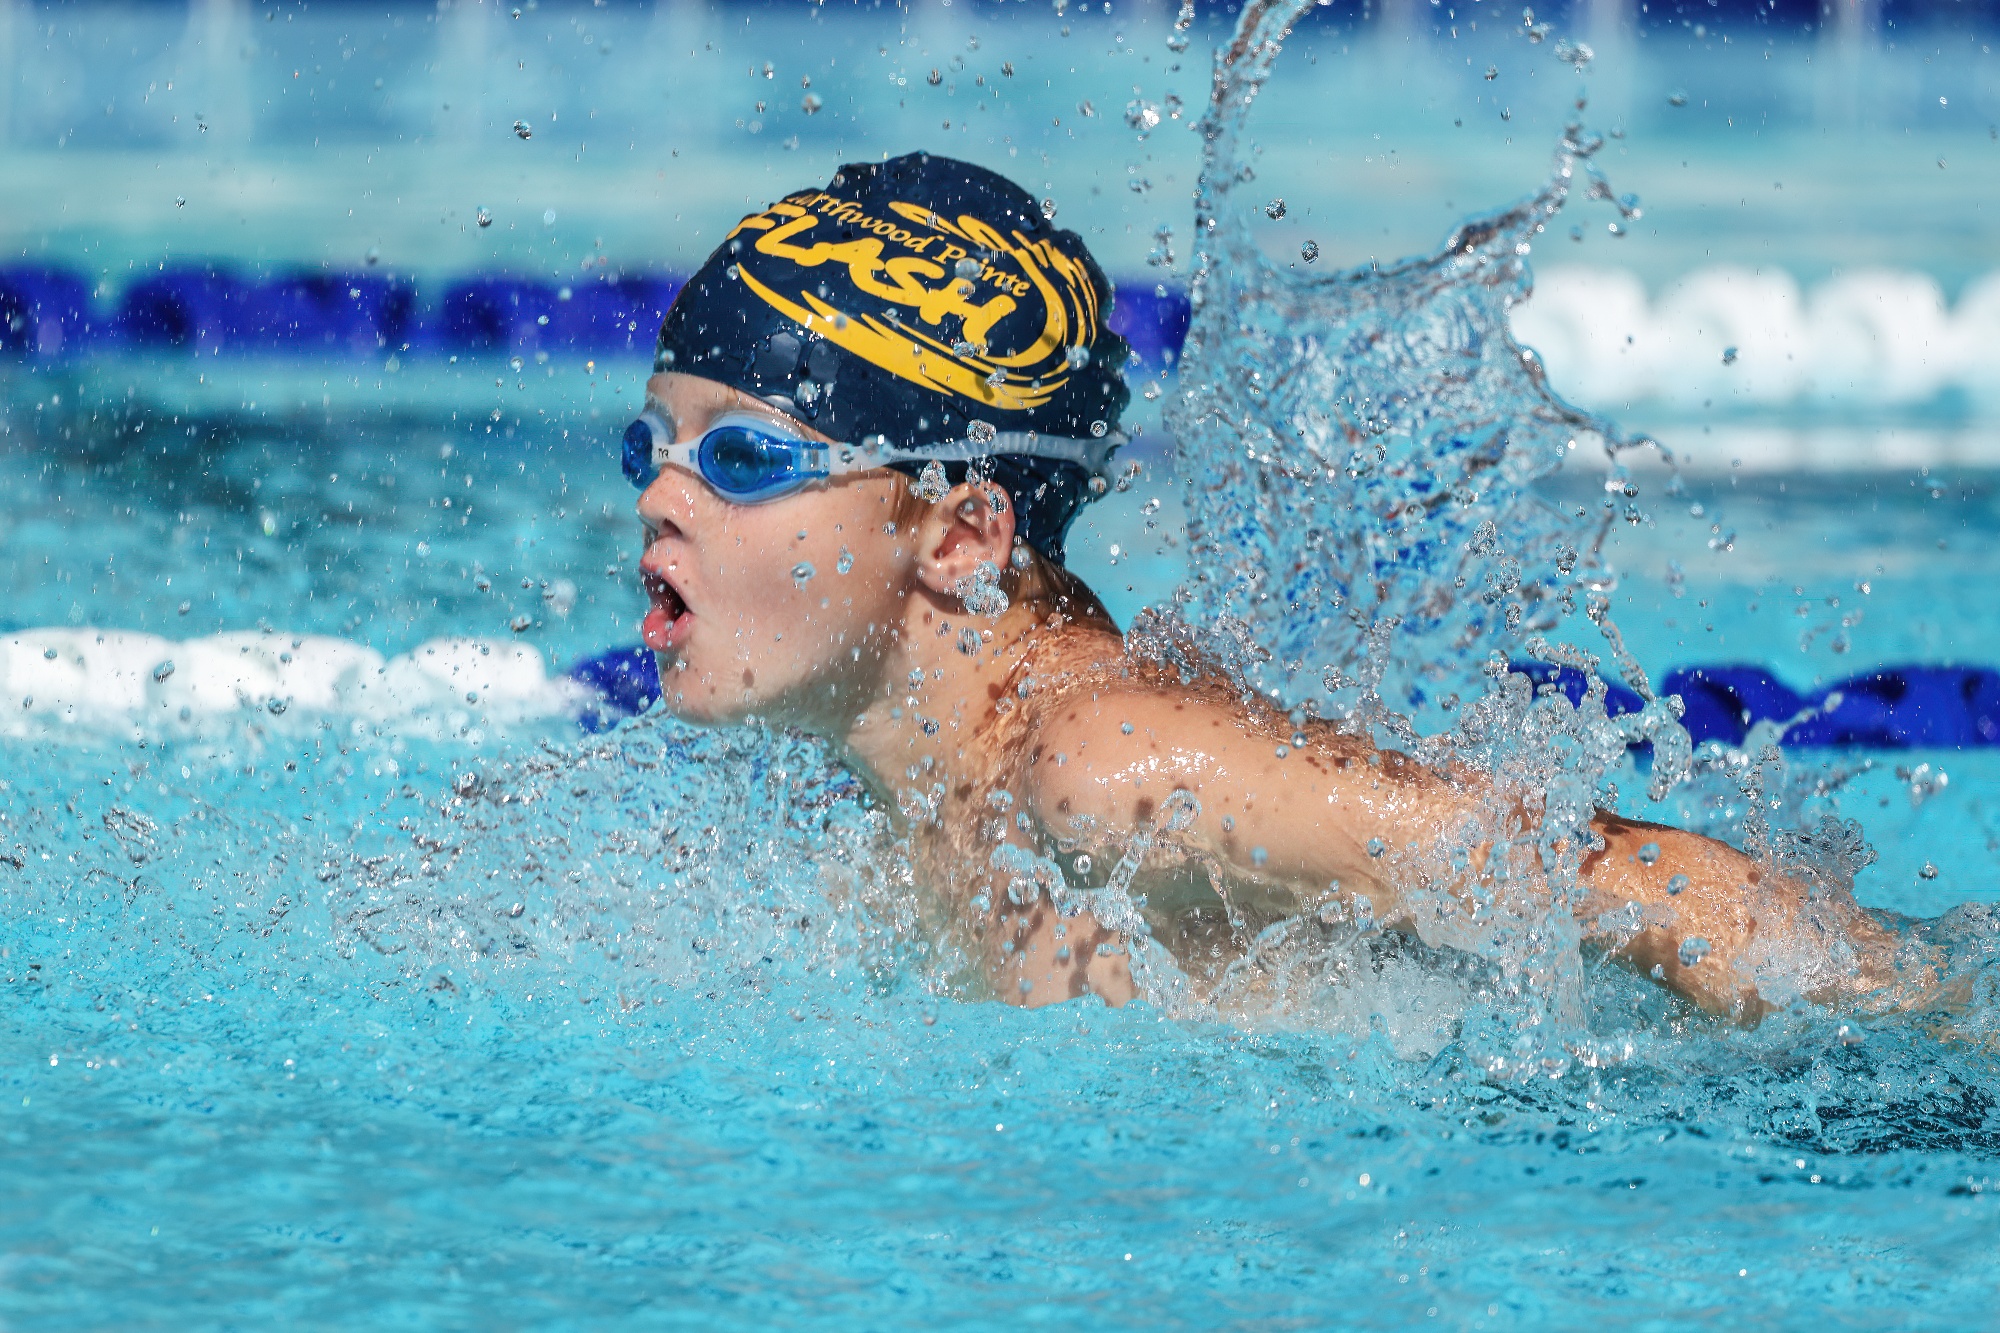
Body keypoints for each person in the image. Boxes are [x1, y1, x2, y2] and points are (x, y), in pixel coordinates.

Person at [622, 151, 1908, 1021]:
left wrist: (1931, 1024)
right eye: (654, 444)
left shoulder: (1098, 765)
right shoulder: (900, 800)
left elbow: (1606, 873)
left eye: (739, 456)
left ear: (961, 535)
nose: (659, 496)